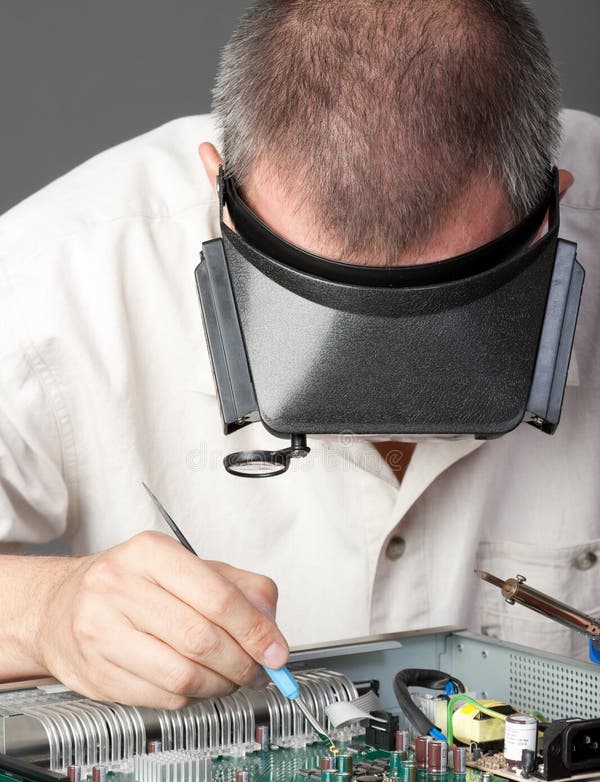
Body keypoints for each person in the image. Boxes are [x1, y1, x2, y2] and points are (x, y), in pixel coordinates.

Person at [0, 0, 598, 709]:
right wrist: (44, 612)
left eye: (443, 307)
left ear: (550, 206)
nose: (385, 380)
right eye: (319, 303)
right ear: (220, 189)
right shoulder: (53, 273)